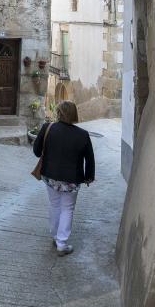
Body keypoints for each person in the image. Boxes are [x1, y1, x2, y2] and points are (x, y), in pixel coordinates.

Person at [32, 101, 95, 255]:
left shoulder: (48, 128)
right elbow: (90, 159)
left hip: (50, 176)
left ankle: (55, 236)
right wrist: (89, 177)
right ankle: (62, 243)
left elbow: (36, 151)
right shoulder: (83, 134)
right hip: (72, 179)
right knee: (67, 208)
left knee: (54, 205)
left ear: (59, 112)